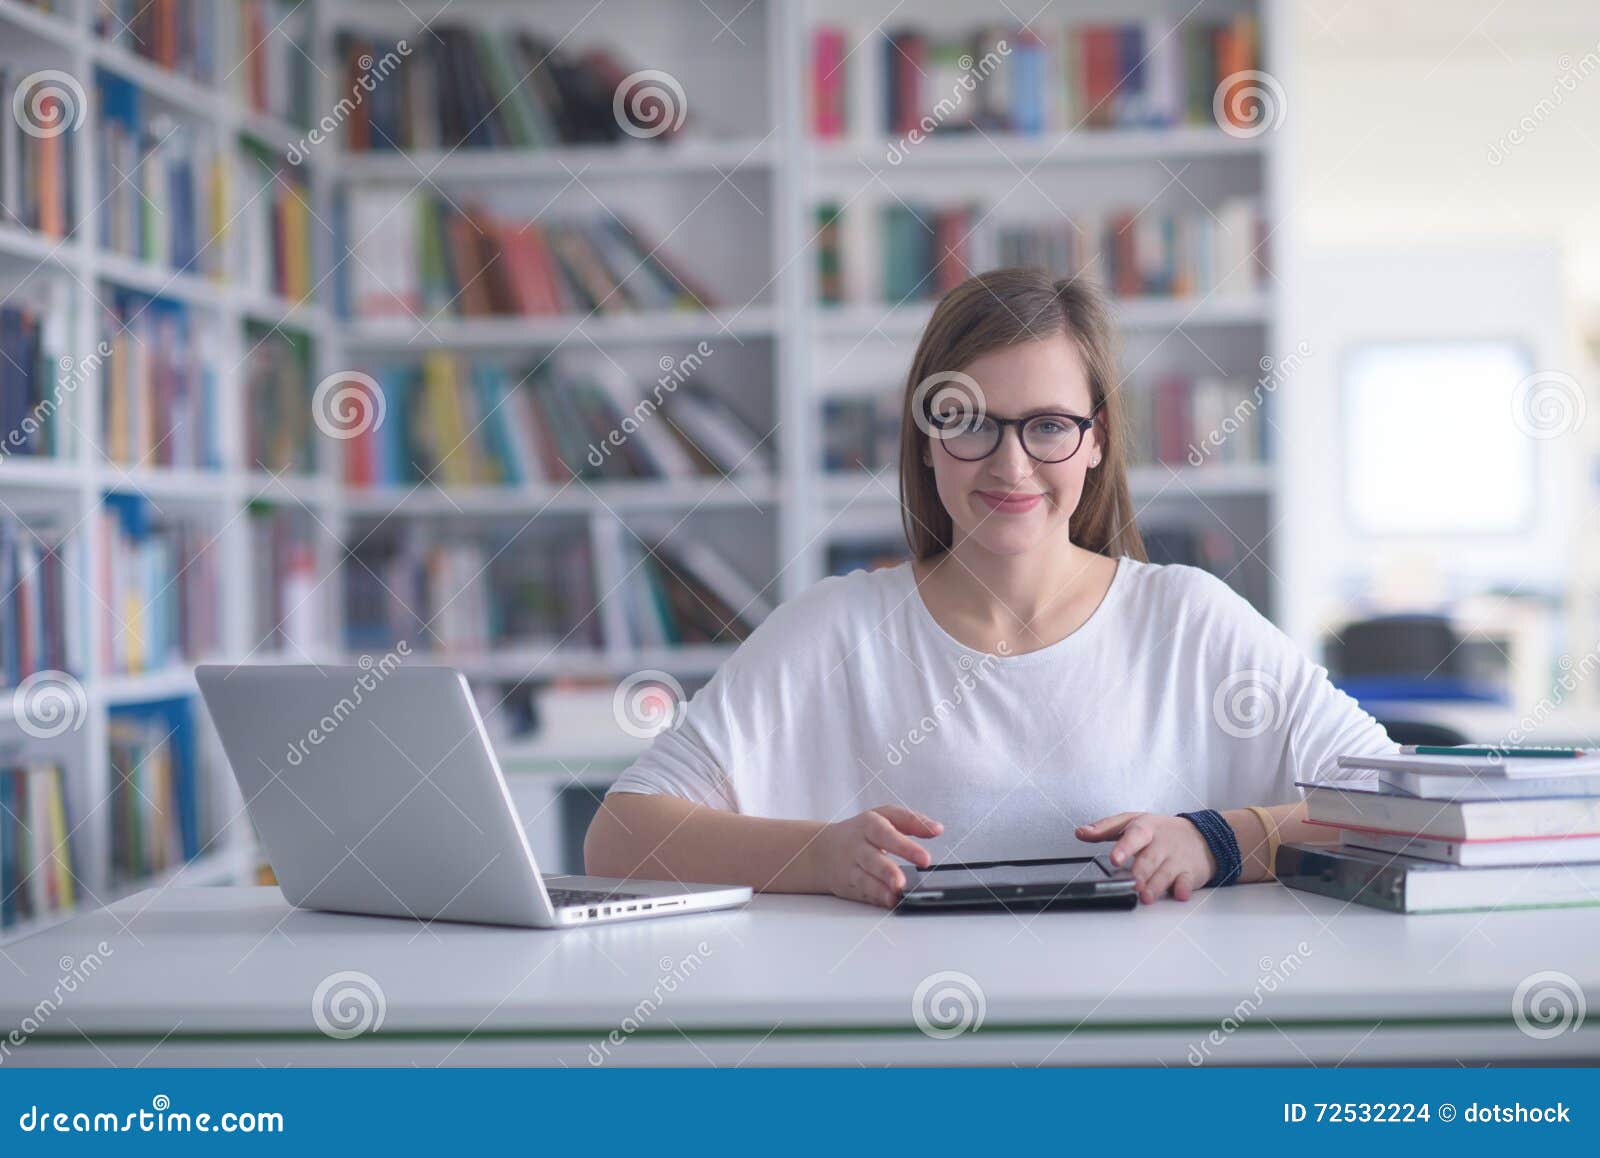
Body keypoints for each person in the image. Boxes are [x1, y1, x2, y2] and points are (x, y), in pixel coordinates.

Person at [585, 267, 1395, 908]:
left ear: (1093, 443)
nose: (1011, 465)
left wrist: (1219, 842)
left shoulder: (1189, 620)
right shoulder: (835, 630)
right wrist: (821, 855)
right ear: (927, 440)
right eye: (970, 420)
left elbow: (1400, 811)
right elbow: (619, 838)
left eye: (1047, 425)